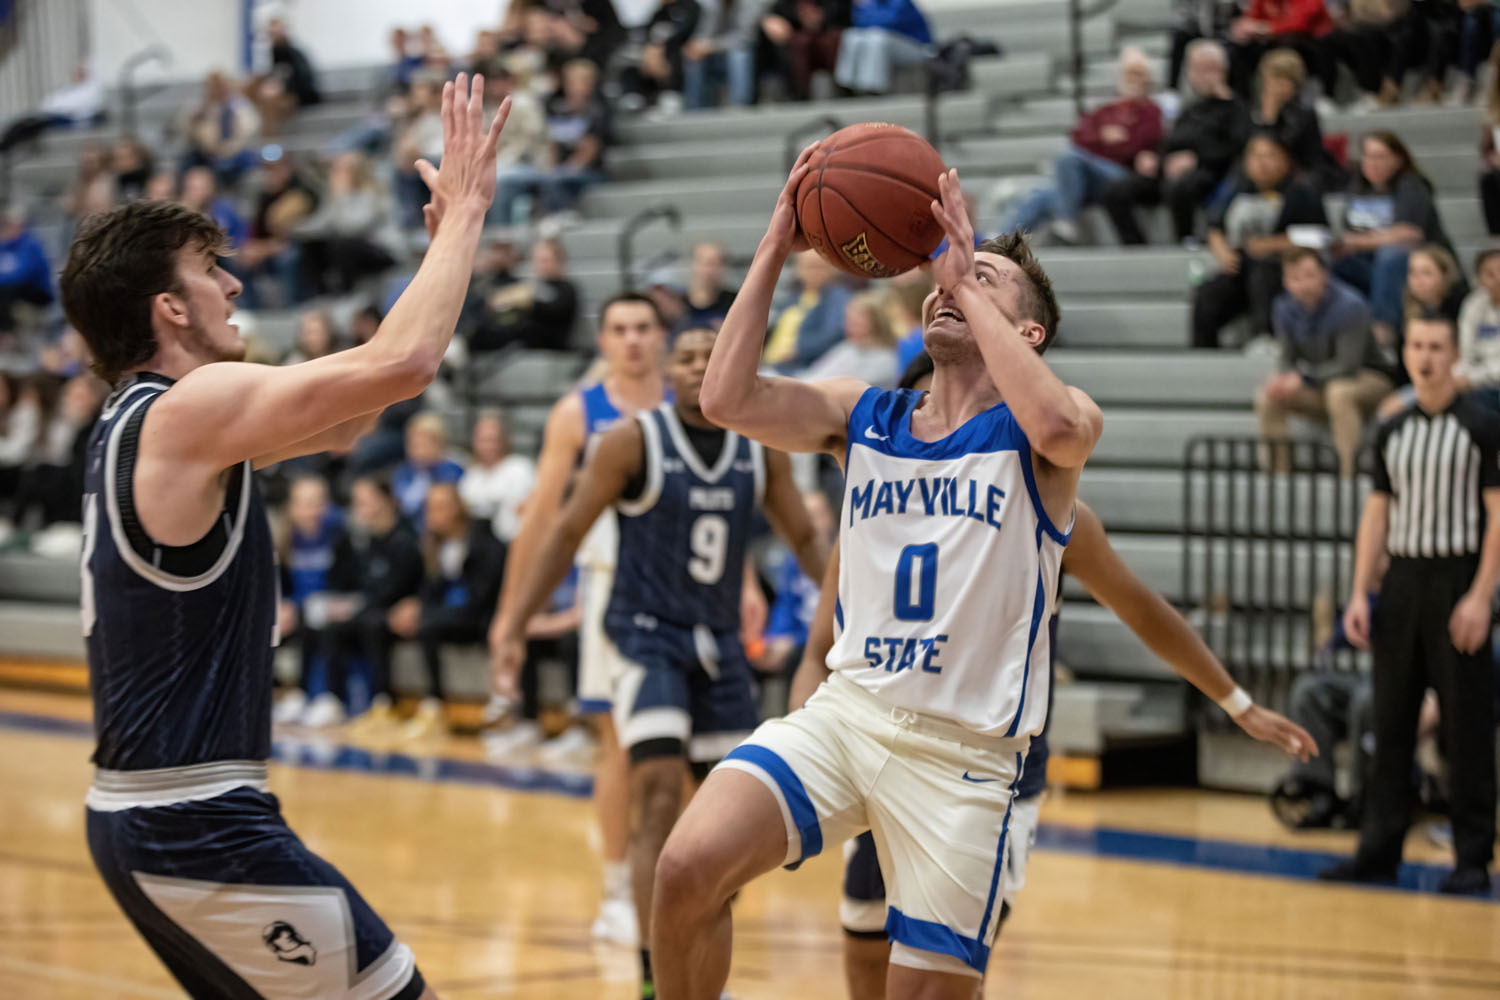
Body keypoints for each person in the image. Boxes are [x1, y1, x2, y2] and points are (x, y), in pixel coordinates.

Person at [59, 73, 507, 999]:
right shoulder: (190, 408)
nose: (232, 283)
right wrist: (466, 213)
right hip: (192, 818)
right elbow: (406, 362)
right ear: (167, 309)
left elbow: (347, 420)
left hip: (162, 817)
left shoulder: (143, 421)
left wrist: (435, 263)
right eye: (208, 272)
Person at [650, 145, 1109, 996]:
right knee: (687, 866)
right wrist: (775, 246)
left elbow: (1061, 430)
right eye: (944, 278)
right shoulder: (865, 413)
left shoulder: (1048, 428)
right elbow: (726, 399)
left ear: (1029, 331)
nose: (951, 282)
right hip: (849, 714)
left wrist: (964, 277)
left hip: (965, 761)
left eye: (987, 278)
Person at [493, 323, 825, 999]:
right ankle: (653, 973)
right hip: (646, 637)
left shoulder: (759, 452)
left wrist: (848, 614)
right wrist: (517, 622)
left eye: (712, 355)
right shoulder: (630, 441)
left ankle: (706, 973)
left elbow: (806, 539)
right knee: (658, 796)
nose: (699, 365)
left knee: (728, 829)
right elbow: (566, 530)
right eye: (687, 357)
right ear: (669, 372)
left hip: (721, 645)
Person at [489, 292, 669, 949]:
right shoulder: (578, 414)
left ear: (662, 337)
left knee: (684, 759)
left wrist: (742, 586)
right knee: (620, 748)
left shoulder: (691, 405)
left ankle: (674, 886)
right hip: (609, 592)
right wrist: (512, 613)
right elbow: (541, 518)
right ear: (603, 341)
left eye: (644, 328)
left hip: (685, 595)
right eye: (620, 328)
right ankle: (619, 892)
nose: (633, 340)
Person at [1322, 313, 1500, 896]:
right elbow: (1377, 515)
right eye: (1417, 346)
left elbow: (1498, 515)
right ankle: (1378, 852)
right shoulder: (1393, 430)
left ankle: (1472, 857)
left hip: (1457, 581)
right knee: (1390, 721)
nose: (1424, 356)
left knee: (1465, 726)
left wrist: (1480, 596)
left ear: (1455, 356)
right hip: (1400, 582)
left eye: (1436, 347)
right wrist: (1358, 593)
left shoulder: (1481, 425)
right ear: (1406, 354)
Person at [998, 48, 1164, 243]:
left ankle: (1066, 221)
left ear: (1148, 80)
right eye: (1129, 75)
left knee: (1067, 159)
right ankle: (998, 245)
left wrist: (1110, 142)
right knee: (1040, 196)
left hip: (1120, 176)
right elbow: (1079, 136)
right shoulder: (1106, 111)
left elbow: (1138, 145)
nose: (1134, 81)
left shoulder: (1151, 112)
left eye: (1139, 75)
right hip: (1089, 177)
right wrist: (1104, 138)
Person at [1256, 248, 1391, 477]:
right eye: (1295, 278)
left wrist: (1304, 377)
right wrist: (1284, 378)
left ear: (1324, 275)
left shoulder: (1350, 306)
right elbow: (1287, 358)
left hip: (1369, 379)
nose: (1303, 284)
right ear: (1286, 282)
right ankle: (1276, 476)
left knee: (1339, 393)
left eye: (1309, 275)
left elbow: (1348, 365)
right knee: (1268, 395)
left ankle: (1348, 476)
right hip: (1321, 384)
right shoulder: (1283, 308)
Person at [1099, 40, 1249, 246]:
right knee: (1115, 191)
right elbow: (1169, 141)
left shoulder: (1236, 108)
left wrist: (1196, 159)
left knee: (1180, 187)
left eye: (1207, 69)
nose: (1201, 76)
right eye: (1195, 69)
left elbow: (1237, 146)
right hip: (1168, 170)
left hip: (1207, 172)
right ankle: (1135, 245)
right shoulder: (1190, 109)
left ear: (1222, 71)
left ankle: (1184, 242)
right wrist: (1158, 159)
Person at [391, 482, 507, 740]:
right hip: (452, 617)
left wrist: (428, 613)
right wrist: (415, 607)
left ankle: (444, 703)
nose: (433, 514)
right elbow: (430, 591)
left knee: (428, 624)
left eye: (440, 507)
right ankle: (401, 704)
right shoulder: (434, 546)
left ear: (457, 508)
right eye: (429, 508)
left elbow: (481, 599)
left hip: (483, 618)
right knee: (402, 623)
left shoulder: (485, 543)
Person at [1191, 132, 1329, 348]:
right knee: (1207, 293)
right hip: (1241, 268)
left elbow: (1319, 236)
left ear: (1286, 160)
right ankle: (1203, 353)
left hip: (1284, 271)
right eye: (1255, 156)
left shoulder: (1302, 193)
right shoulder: (1237, 190)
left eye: (1270, 156)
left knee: (1263, 273)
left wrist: (1271, 244)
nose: (1261, 163)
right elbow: (1214, 227)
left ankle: (1267, 341)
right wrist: (1222, 251)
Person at [1332, 131, 1458, 349]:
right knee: (1330, 262)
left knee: (1390, 255)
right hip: (1369, 264)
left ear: (1398, 159)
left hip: (1415, 261)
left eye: (1380, 156)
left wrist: (1357, 241)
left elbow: (1408, 234)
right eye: (1368, 156)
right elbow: (1349, 234)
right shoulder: (1358, 188)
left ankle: (1384, 333)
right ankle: (1343, 328)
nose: (1373, 163)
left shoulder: (1411, 185)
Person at [294, 152, 398, 297]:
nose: (334, 174)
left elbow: (352, 228)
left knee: (341, 243)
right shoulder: (337, 195)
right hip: (353, 246)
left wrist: (341, 197)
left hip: (381, 250)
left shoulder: (373, 194)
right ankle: (322, 294)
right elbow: (322, 223)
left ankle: (347, 292)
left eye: (341, 170)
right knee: (310, 243)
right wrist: (295, 229)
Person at [762, 249, 854, 368]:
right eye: (809, 267)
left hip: (803, 368)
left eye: (820, 267)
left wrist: (799, 350)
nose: (815, 273)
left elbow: (833, 334)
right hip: (770, 364)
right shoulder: (792, 297)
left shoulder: (839, 299)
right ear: (798, 270)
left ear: (833, 269)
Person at [1226, 0, 1334, 98]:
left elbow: (1299, 24)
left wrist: (1265, 28)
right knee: (1239, 50)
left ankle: (1324, 97)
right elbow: (1250, 20)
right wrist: (1244, 30)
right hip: (1274, 43)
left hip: (1307, 45)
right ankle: (1241, 100)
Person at [460, 410, 537, 542]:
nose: (488, 446)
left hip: (514, 542)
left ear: (504, 440)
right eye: (483, 440)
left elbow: (529, 509)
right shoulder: (471, 477)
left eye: (493, 440)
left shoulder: (520, 468)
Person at [800, 291, 900, 386]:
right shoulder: (847, 348)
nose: (847, 327)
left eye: (856, 323)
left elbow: (844, 390)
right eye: (848, 321)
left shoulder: (885, 360)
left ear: (877, 324)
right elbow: (815, 374)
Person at [178, 71, 261, 184]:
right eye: (213, 86)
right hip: (206, 155)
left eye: (220, 85)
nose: (216, 89)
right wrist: (196, 116)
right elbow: (184, 128)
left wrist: (227, 149)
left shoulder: (239, 105)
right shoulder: (199, 106)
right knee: (187, 160)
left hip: (235, 153)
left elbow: (249, 130)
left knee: (249, 161)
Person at [834, 0, 932, 96]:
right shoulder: (869, 3)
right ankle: (846, 84)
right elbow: (858, 22)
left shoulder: (901, 2)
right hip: (887, 44)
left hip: (917, 48)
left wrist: (865, 9)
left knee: (877, 38)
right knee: (852, 36)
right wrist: (862, 8)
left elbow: (890, 21)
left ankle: (873, 87)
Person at [763, 0, 851, 101]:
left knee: (835, 42)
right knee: (799, 44)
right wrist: (771, 20)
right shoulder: (786, 4)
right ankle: (800, 94)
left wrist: (821, 17)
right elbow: (775, 15)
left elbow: (841, 13)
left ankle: (843, 87)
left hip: (827, 32)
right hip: (796, 35)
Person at [392, 412, 466, 526]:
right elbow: (404, 506)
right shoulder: (403, 472)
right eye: (414, 444)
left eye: (424, 444)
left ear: (439, 443)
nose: (419, 450)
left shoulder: (452, 470)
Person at [0, 205, 53, 337]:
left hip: (37, 291)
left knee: (5, 290)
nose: (6, 229)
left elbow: (25, 274)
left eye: (10, 225)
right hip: (16, 289)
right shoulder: (5, 246)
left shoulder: (31, 244)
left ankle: (7, 333)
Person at [1456, 248, 1500, 404]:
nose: (1498, 278)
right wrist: (1459, 377)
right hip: (1475, 381)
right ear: (1479, 279)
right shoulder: (1473, 304)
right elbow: (1466, 354)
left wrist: (1472, 378)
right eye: (1490, 274)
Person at [683, 241, 738, 330]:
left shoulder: (736, 302)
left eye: (717, 264)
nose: (711, 270)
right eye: (707, 263)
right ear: (693, 265)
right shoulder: (677, 304)